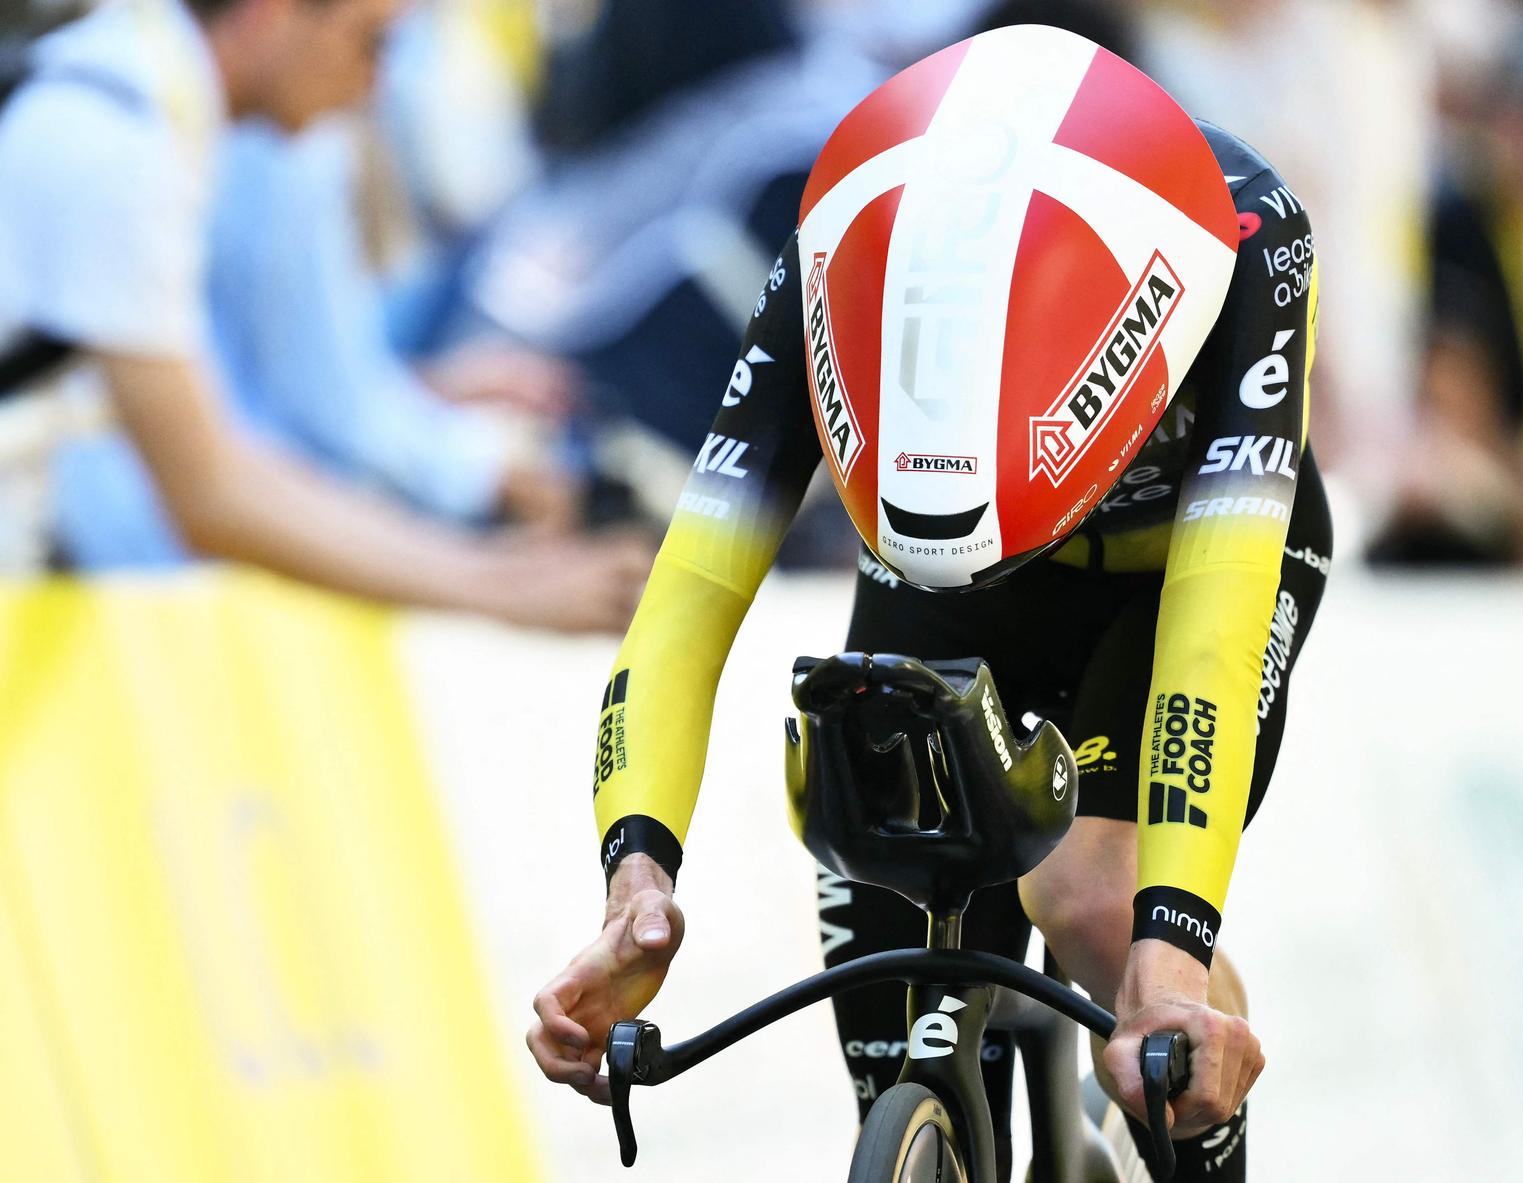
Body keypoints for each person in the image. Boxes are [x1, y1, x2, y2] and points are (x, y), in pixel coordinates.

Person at [527, 25, 1332, 1182]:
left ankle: (1202, 1141)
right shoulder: (836, 245)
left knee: (1092, 898)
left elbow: (1207, 647)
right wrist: (634, 883)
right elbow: (690, 593)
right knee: (884, 915)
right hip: (943, 573)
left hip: (1179, 578)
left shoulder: (1250, 236)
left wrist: (1167, 960)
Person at [0, 0, 650, 630]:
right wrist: (501, 585)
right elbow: (211, 490)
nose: (376, 84)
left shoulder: (137, 91)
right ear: (272, 11)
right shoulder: (121, 137)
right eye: (372, 42)